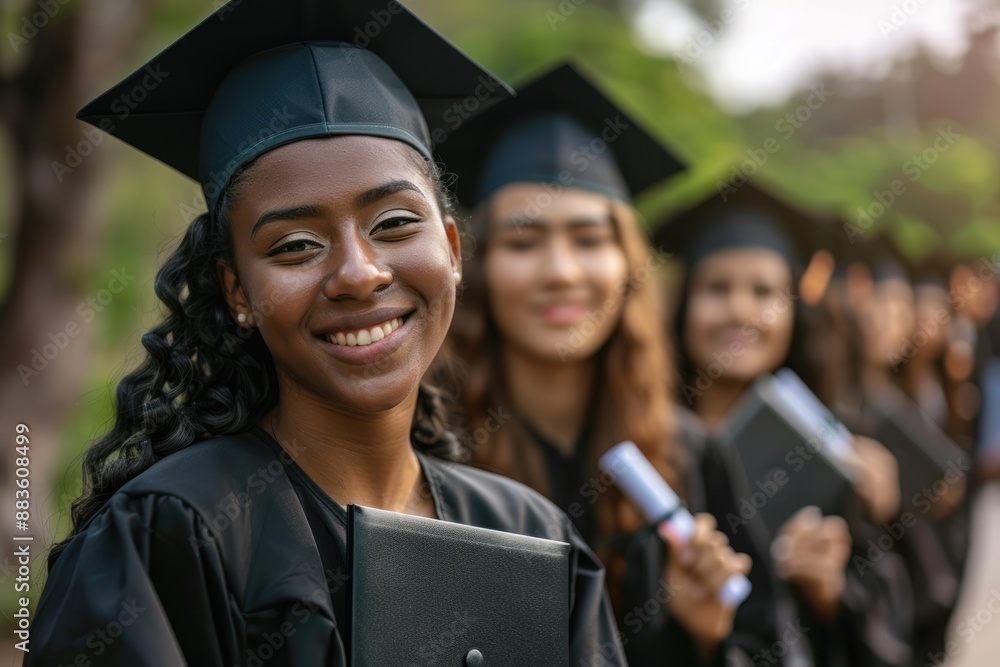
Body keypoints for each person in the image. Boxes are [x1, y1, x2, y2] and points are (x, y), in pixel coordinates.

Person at [26, 2, 627, 665]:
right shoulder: (171, 535)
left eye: (395, 222)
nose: (359, 273)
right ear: (237, 292)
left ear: (453, 249)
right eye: (297, 245)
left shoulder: (530, 535)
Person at [439, 63, 763, 666]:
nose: (561, 270)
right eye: (522, 241)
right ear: (475, 264)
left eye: (589, 240)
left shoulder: (693, 457)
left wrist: (701, 636)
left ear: (628, 267)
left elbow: (771, 638)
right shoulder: (431, 457)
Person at [656, 181, 913, 667]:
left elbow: (892, 628)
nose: (740, 310)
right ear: (684, 304)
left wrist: (830, 591)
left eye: (764, 291)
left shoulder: (831, 451)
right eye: (717, 288)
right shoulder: (648, 440)